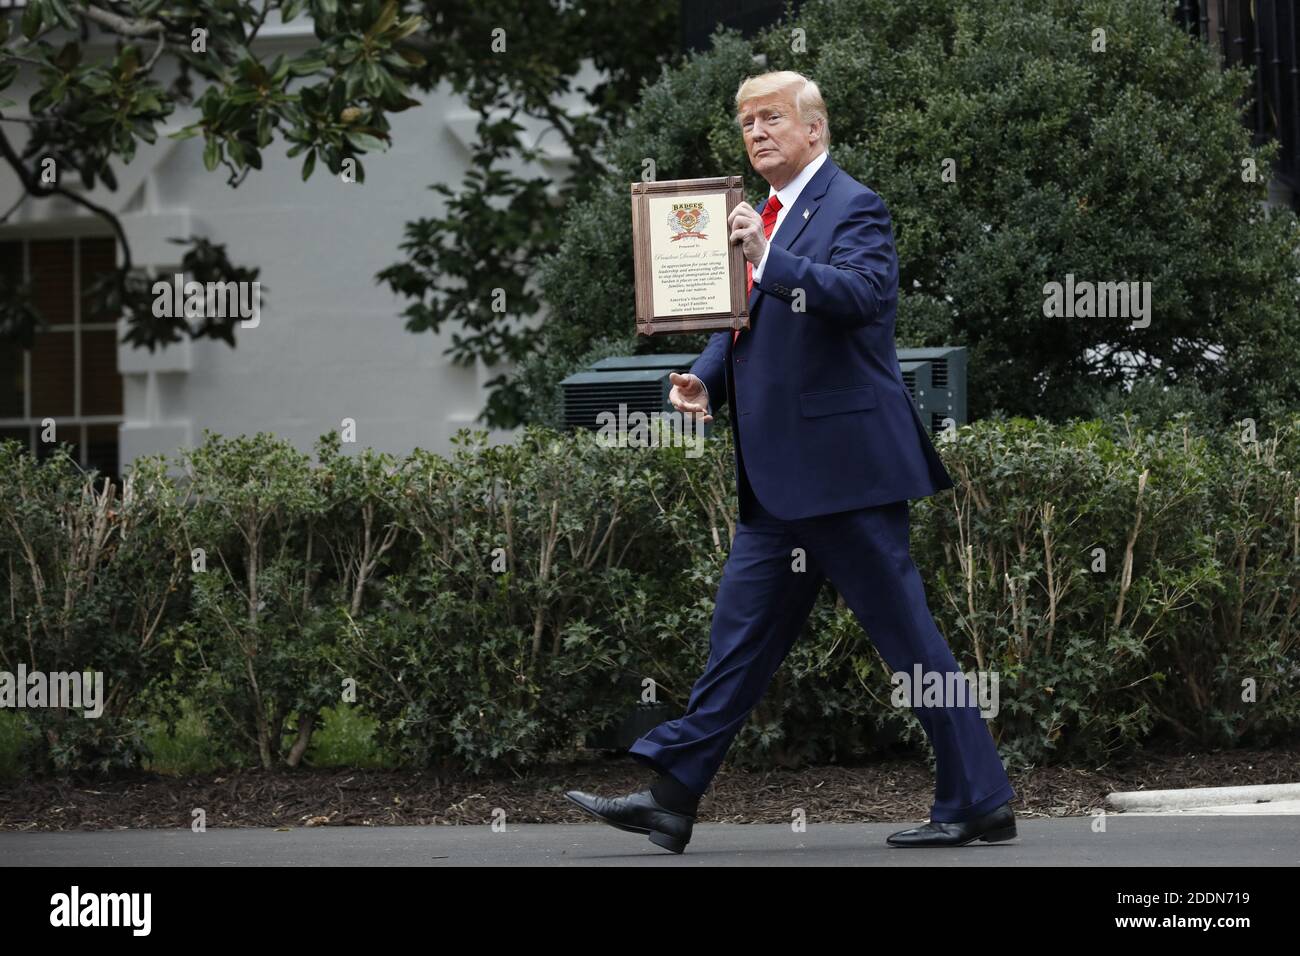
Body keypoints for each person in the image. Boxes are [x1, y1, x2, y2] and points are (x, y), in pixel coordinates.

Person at [565, 70, 1016, 854]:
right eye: (745, 123)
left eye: (771, 117)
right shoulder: (756, 219)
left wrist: (770, 257)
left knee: (912, 645)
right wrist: (703, 378)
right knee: (738, 641)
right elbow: (739, 314)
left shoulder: (852, 205)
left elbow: (863, 296)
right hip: (777, 482)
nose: (757, 132)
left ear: (815, 130)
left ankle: (978, 800)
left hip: (847, 474)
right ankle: (671, 798)